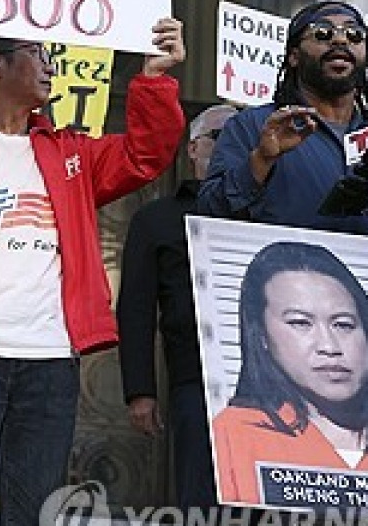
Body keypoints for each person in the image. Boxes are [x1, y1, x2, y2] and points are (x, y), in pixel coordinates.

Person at [0, 0, 186, 524]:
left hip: (50, 359)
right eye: (37, 52)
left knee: (32, 513)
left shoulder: (70, 151)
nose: (51, 65)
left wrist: (156, 77)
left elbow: (146, 154)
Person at [196, 0, 368, 369]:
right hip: (290, 335)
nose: (341, 42)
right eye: (324, 34)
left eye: (354, 35)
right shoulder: (254, 127)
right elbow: (210, 213)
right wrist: (261, 160)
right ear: (295, 55)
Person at [213, 241, 368, 519]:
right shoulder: (235, 434)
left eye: (343, 324)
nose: (329, 346)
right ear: (261, 337)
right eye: (300, 323)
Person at [116, 103, 237, 508]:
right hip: (194, 378)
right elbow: (135, 308)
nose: (229, 146)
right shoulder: (156, 219)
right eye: (219, 137)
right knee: (200, 500)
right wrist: (140, 392)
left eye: (241, 138)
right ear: (192, 148)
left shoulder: (268, 213)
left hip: (271, 383)